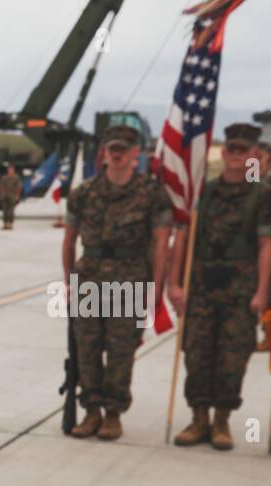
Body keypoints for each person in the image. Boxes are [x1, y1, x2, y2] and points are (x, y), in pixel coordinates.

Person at [168, 124, 271, 450]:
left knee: (233, 356)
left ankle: (221, 421)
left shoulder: (261, 194)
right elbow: (183, 239)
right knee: (197, 354)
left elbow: (267, 244)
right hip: (201, 284)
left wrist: (262, 291)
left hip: (240, 288)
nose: (234, 155)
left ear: (253, 155)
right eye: (231, 148)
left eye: (243, 150)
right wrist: (174, 283)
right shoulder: (204, 192)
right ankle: (198, 418)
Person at [62, 125, 172, 441]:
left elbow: (161, 243)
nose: (118, 154)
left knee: (121, 350)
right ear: (105, 152)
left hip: (130, 279)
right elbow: (69, 240)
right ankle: (91, 410)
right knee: (87, 348)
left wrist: (156, 288)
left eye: (124, 149)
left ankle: (113, 413)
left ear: (137, 153)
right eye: (113, 149)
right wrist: (69, 282)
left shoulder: (152, 193)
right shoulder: (83, 193)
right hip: (88, 279)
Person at [0, 163, 22, 230]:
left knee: (11, 211)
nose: (10, 170)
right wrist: (1, 195)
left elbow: (18, 187)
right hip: (5, 196)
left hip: (12, 196)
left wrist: (17, 195)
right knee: (5, 211)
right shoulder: (4, 177)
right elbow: (1, 186)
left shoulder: (16, 177)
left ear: (13, 170)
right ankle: (5, 224)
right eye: (9, 169)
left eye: (11, 169)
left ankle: (10, 224)